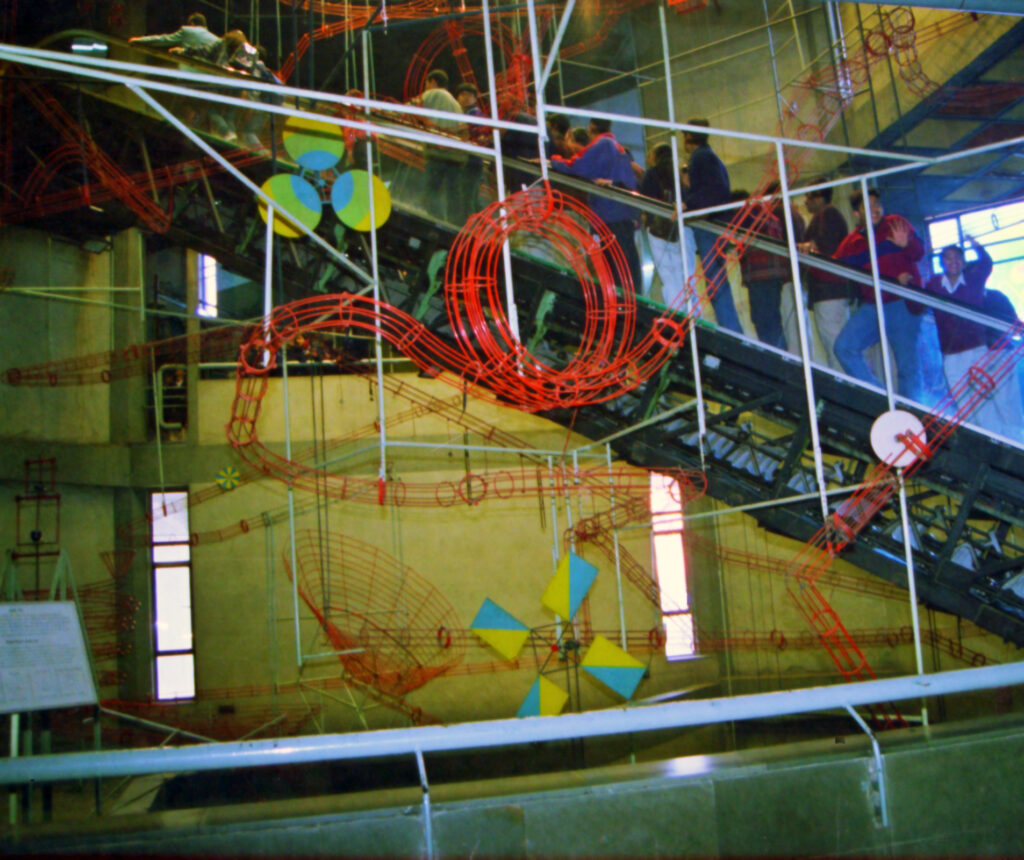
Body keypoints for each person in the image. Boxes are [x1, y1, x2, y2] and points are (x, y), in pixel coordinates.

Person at [923, 236, 1023, 440]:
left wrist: (975, 244)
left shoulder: (994, 296)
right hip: (975, 354)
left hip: (998, 354)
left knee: (1007, 405)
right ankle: (995, 443)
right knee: (979, 407)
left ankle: (1017, 443)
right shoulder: (943, 288)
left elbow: (1013, 324)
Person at [832, 188, 926, 401]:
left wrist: (906, 244)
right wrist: (807, 252)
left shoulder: (895, 223)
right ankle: (882, 401)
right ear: (857, 213)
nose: (875, 209)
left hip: (901, 303)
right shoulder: (852, 242)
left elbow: (919, 253)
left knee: (907, 366)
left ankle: (912, 416)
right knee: (844, 347)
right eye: (868, 206)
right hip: (873, 305)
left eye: (877, 204)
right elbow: (831, 268)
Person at [549, 118, 641, 292]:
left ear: (591, 128)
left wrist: (553, 161)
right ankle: (630, 305)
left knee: (615, 268)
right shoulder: (617, 148)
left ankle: (622, 307)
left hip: (610, 215)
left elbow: (578, 166)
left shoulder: (603, 144)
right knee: (626, 266)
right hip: (622, 214)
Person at [681, 119, 742, 333]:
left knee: (715, 281)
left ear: (688, 137)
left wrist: (689, 203)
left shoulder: (701, 157)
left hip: (710, 224)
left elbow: (714, 191)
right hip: (717, 222)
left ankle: (731, 330)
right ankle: (730, 328)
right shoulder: (710, 156)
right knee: (715, 280)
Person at [798, 187, 852, 370]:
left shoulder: (826, 215)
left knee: (834, 346)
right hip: (832, 291)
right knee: (835, 345)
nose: (806, 202)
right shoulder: (830, 215)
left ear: (819, 198)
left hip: (828, 291)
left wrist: (809, 247)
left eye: (808, 197)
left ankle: (843, 390)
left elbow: (825, 251)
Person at [638, 143, 696, 308]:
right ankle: (691, 315)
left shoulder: (652, 174)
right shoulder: (678, 173)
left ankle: (676, 313)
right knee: (684, 274)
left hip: (657, 229)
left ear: (655, 156)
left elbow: (646, 199)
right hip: (680, 228)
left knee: (668, 275)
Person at [408, 69, 467, 224]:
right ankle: (454, 224)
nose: (426, 87)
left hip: (439, 152)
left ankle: (433, 221)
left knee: (431, 189)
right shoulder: (455, 103)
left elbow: (410, 107)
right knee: (452, 192)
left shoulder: (435, 93)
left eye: (427, 83)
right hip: (456, 155)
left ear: (432, 82)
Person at [732, 190, 787, 348]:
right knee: (771, 322)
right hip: (771, 274)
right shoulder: (765, 213)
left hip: (761, 274)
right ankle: (780, 360)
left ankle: (777, 364)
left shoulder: (751, 215)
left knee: (765, 323)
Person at [454, 82, 486, 222]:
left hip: (472, 160)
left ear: (475, 99)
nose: (465, 98)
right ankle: (483, 223)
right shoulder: (462, 113)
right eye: (462, 95)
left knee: (467, 196)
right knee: (471, 197)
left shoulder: (475, 115)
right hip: (469, 160)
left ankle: (469, 227)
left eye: (469, 95)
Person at [129, 12, 218, 57]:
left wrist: (139, 40)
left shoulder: (187, 31)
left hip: (191, 74)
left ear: (192, 24)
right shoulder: (216, 39)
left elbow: (163, 40)